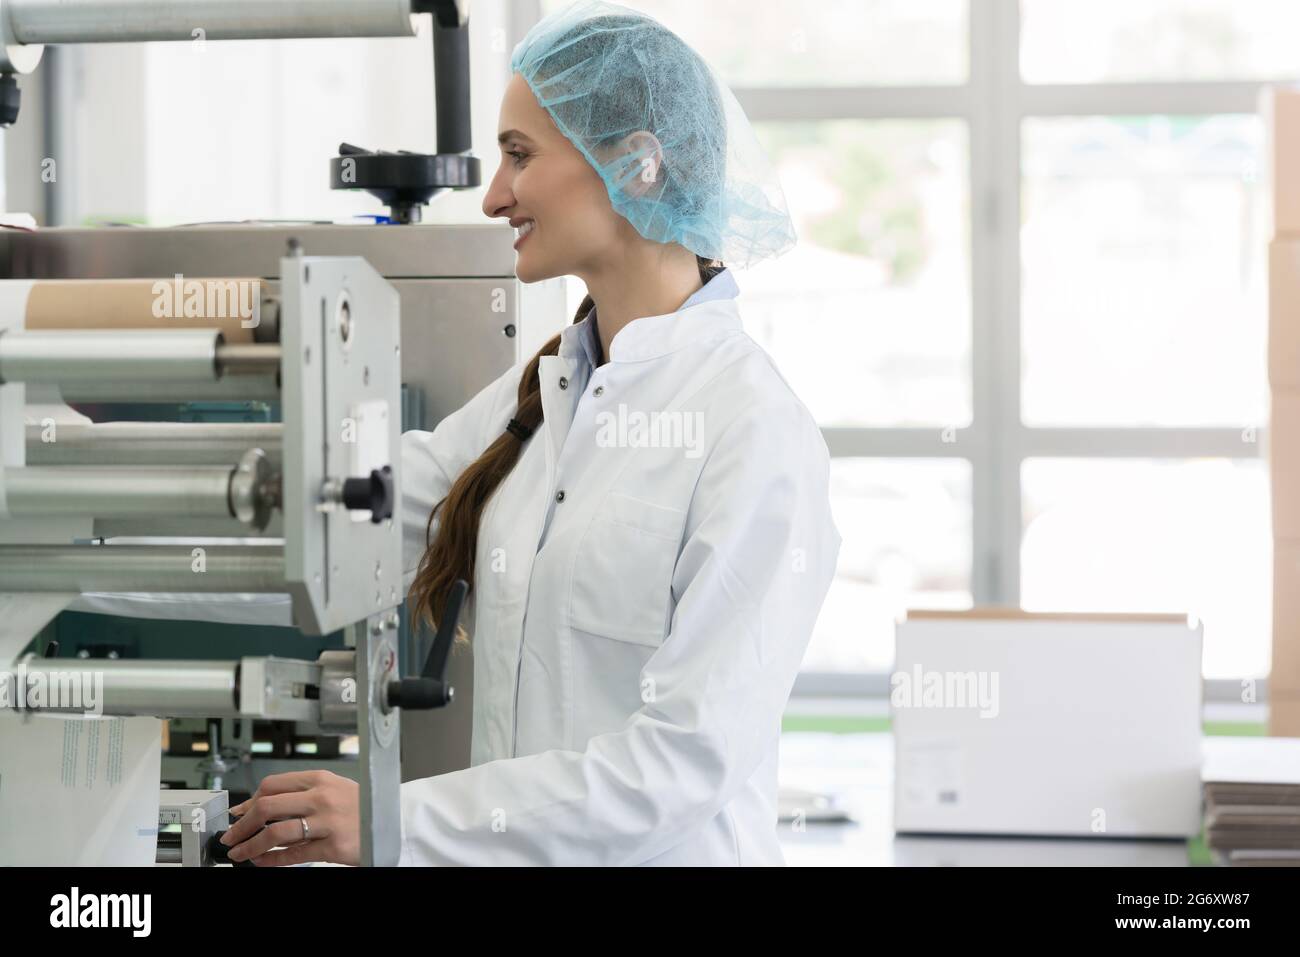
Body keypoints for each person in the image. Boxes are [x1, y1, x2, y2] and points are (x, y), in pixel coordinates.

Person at [217, 0, 840, 866]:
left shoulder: (753, 433)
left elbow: (680, 763)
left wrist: (397, 823)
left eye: (519, 155)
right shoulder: (539, 398)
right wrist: (59, 535)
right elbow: (329, 533)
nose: (493, 193)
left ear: (637, 164)